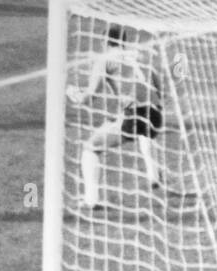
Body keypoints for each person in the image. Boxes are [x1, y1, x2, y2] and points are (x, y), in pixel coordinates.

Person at [66, 25, 164, 212]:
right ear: (124, 41)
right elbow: (158, 84)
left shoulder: (105, 59)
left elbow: (91, 95)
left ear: (105, 41)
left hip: (136, 115)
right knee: (142, 131)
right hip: (156, 114)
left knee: (90, 148)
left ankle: (91, 200)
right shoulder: (139, 55)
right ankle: (154, 176)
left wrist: (74, 95)